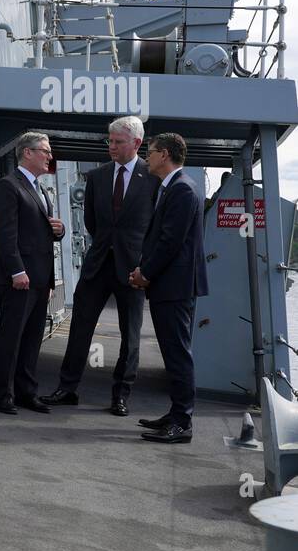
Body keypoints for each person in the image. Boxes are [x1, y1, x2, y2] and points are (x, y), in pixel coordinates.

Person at [42, 116, 157, 416]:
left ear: (136, 143)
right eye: (110, 141)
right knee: (80, 329)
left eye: (118, 142)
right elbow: (91, 222)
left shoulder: (153, 179)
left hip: (133, 270)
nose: (112, 147)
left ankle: (120, 395)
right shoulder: (97, 177)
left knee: (130, 338)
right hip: (97, 266)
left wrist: (144, 264)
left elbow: (156, 228)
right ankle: (67, 388)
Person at [128, 133, 208, 443]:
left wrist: (145, 273)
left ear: (164, 155)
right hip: (169, 285)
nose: (147, 157)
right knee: (173, 352)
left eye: (150, 152)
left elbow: (170, 241)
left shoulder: (182, 190)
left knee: (178, 354)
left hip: (174, 286)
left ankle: (183, 423)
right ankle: (175, 414)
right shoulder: (175, 188)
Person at [0, 132, 66, 415]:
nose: (49, 156)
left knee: (33, 338)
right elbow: (6, 235)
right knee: (12, 336)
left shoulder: (41, 189)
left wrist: (60, 230)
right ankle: (3, 395)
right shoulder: (8, 186)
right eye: (45, 151)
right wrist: (17, 271)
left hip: (40, 277)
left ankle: (26, 393)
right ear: (27, 153)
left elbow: (40, 232)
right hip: (19, 278)